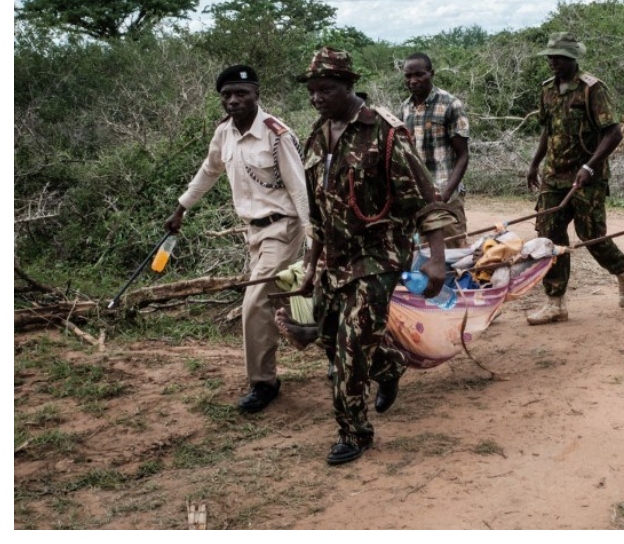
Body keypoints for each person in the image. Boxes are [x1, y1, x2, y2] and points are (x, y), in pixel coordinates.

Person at [294, 47, 455, 466]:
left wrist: (436, 259)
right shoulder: (316, 135)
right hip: (335, 257)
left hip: (377, 258)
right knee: (330, 338)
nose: (317, 98)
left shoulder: (384, 132)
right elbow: (318, 211)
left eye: (325, 89)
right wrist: (310, 267)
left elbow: (426, 200)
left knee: (349, 350)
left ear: (348, 86)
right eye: (312, 91)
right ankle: (389, 365)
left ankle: (354, 433)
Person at [166, 65, 308, 414]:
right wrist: (182, 207)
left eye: (241, 93)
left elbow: (299, 187)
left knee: (254, 304)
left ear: (257, 94)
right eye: (227, 95)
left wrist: (315, 235)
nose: (233, 100)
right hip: (253, 231)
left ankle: (264, 383)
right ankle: (337, 349)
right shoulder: (224, 134)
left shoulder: (276, 134)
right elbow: (209, 170)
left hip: (283, 226)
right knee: (285, 301)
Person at [524, 32, 624, 325]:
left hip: (588, 176)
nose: (553, 62)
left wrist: (589, 166)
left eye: (559, 57)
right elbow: (547, 130)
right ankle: (555, 303)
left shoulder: (592, 89)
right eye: (550, 56)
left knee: (591, 236)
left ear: (573, 59)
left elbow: (613, 133)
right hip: (554, 176)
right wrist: (535, 164)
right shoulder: (547, 90)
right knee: (549, 237)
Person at [398, 52, 471, 248]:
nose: (413, 81)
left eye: (419, 74)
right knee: (422, 258)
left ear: (432, 73)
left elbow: (463, 155)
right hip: (417, 199)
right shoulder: (405, 108)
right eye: (408, 76)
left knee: (453, 256)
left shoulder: (450, 104)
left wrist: (445, 195)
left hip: (445, 195)